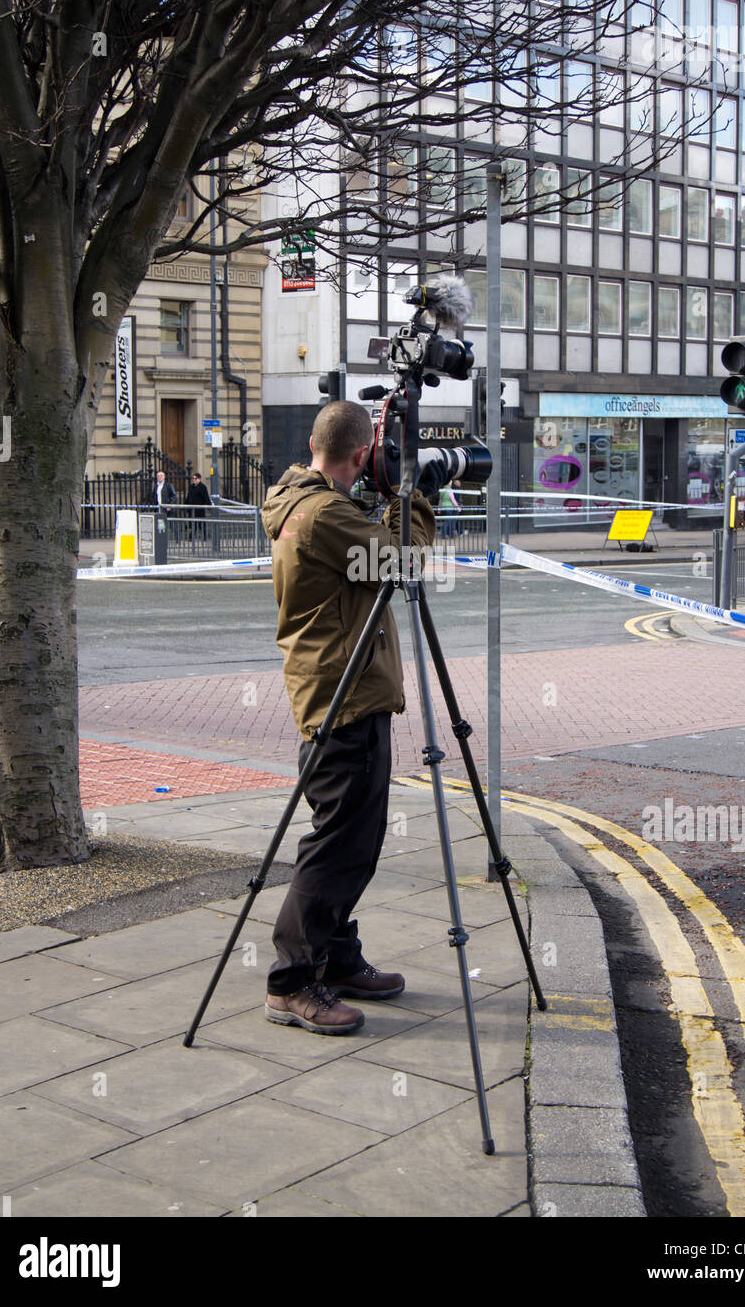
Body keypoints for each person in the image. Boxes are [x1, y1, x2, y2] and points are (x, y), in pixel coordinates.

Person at [260, 399, 441, 1035]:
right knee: (338, 845)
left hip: (342, 689)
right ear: (363, 454)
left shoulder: (301, 500)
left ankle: (334, 958)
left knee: (354, 842)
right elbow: (406, 563)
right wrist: (413, 495)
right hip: (343, 697)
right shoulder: (325, 513)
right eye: (377, 455)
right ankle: (291, 981)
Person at [188, 471, 212, 538]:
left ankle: (205, 536)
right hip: (192, 508)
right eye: (193, 478)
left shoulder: (202, 487)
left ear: (199, 479)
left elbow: (206, 496)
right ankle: (191, 537)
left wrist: (209, 506)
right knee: (193, 523)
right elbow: (189, 496)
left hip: (200, 508)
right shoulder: (191, 486)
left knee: (201, 524)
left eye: (195, 478)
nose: (194, 480)